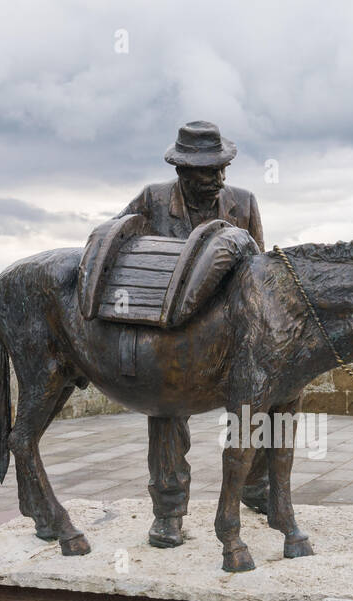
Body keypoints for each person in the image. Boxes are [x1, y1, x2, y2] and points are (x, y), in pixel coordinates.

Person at [117, 121, 269, 548]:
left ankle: (257, 487)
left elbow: (259, 276)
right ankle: (168, 512)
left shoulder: (244, 203)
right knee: (165, 414)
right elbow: (116, 242)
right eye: (208, 171)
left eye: (223, 168)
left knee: (268, 402)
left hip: (228, 336)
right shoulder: (152, 200)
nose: (219, 179)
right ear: (183, 171)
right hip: (173, 338)